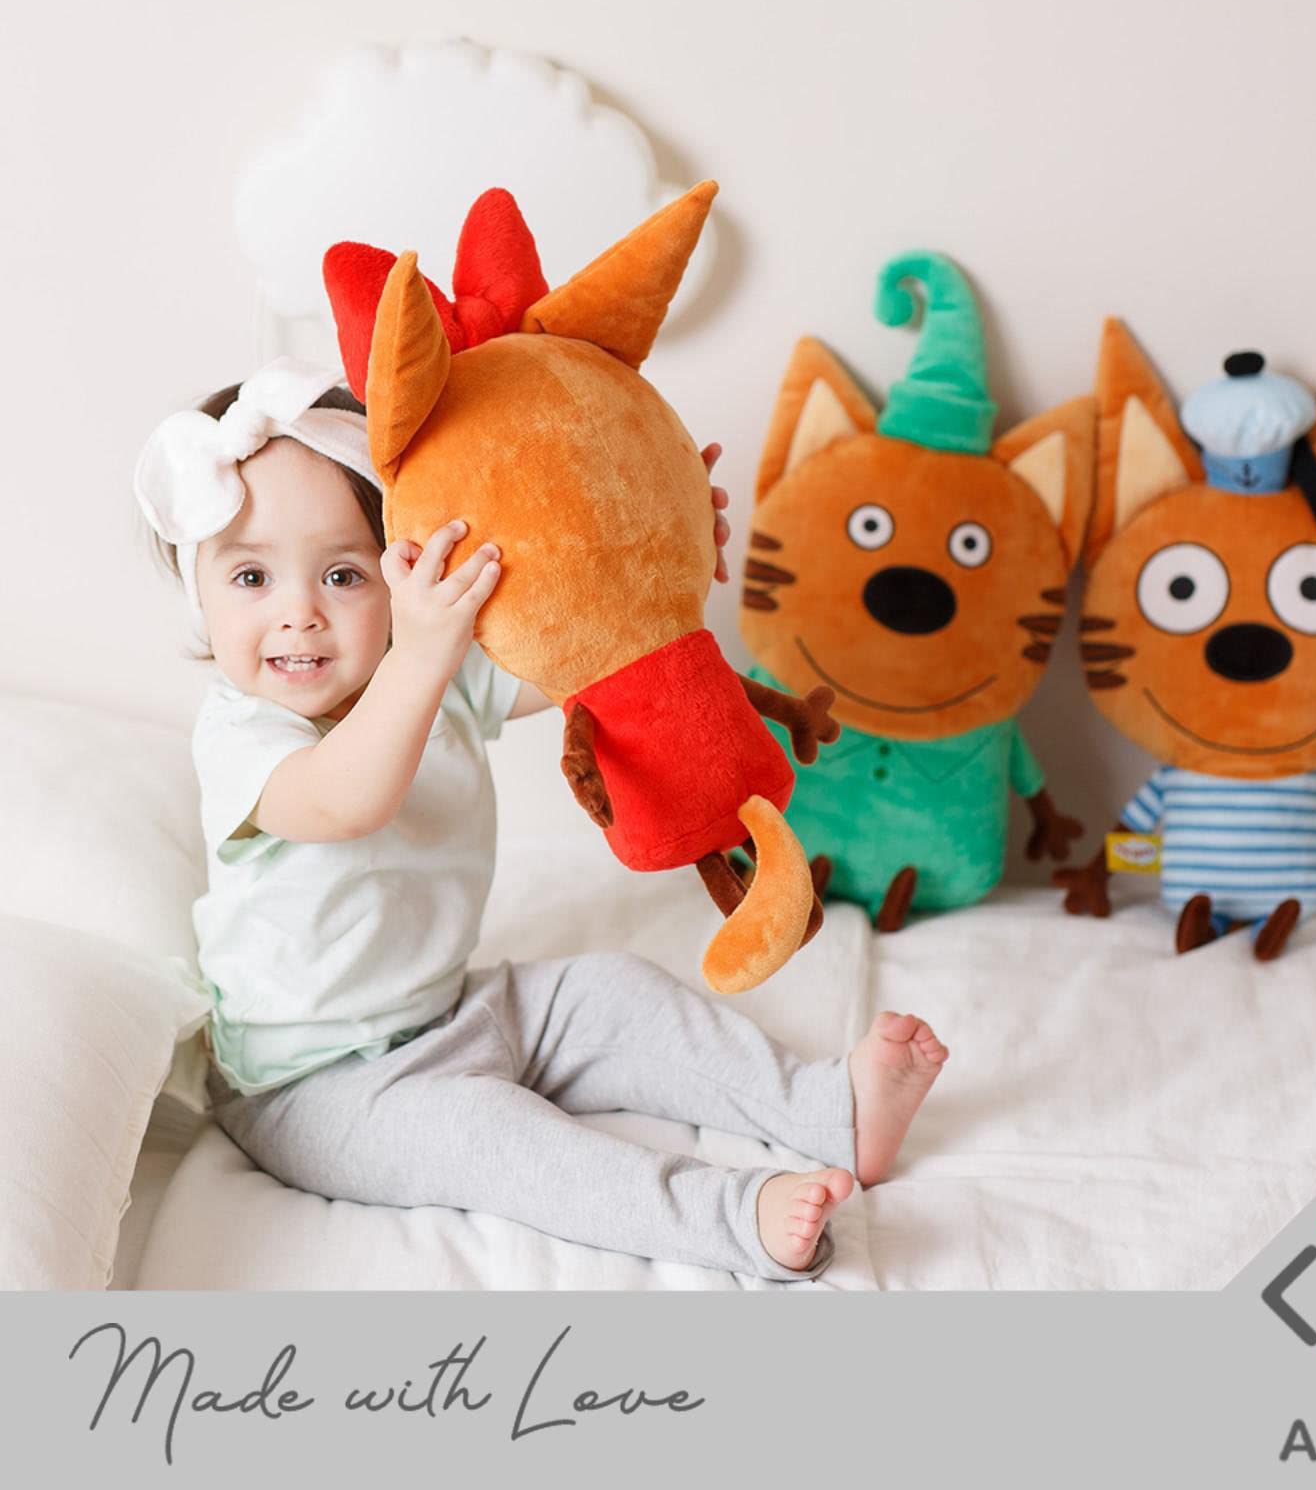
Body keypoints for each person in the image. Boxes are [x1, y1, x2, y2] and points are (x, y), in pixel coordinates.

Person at [134, 357, 948, 1280]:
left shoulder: (427, 672)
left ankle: (830, 1109)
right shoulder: (243, 733)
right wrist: (423, 657)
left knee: (615, 993)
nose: (300, 615)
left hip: (455, 1006)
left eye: (344, 575)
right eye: (250, 577)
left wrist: (666, 553)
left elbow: (581, 655)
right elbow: (344, 799)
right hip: (310, 1087)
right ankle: (732, 1218)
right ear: (197, 594)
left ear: (402, 574)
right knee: (498, 1141)